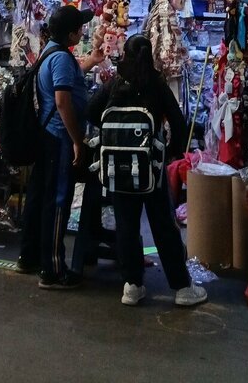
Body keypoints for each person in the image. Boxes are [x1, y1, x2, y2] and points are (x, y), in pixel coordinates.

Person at [87, 34, 207, 308]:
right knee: (163, 224)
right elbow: (179, 121)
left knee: (126, 224)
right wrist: (174, 151)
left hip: (118, 168)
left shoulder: (115, 84)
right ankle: (181, 287)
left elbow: (91, 111)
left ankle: (132, 285)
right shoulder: (156, 84)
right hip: (151, 167)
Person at [17, 4, 104, 289]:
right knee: (57, 201)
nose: (82, 30)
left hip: (46, 135)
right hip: (58, 139)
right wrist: (78, 140)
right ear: (71, 34)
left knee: (38, 197)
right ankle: (53, 270)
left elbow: (69, 74)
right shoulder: (62, 60)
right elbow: (62, 101)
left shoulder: (51, 51)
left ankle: (28, 256)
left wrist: (91, 61)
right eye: (79, 28)